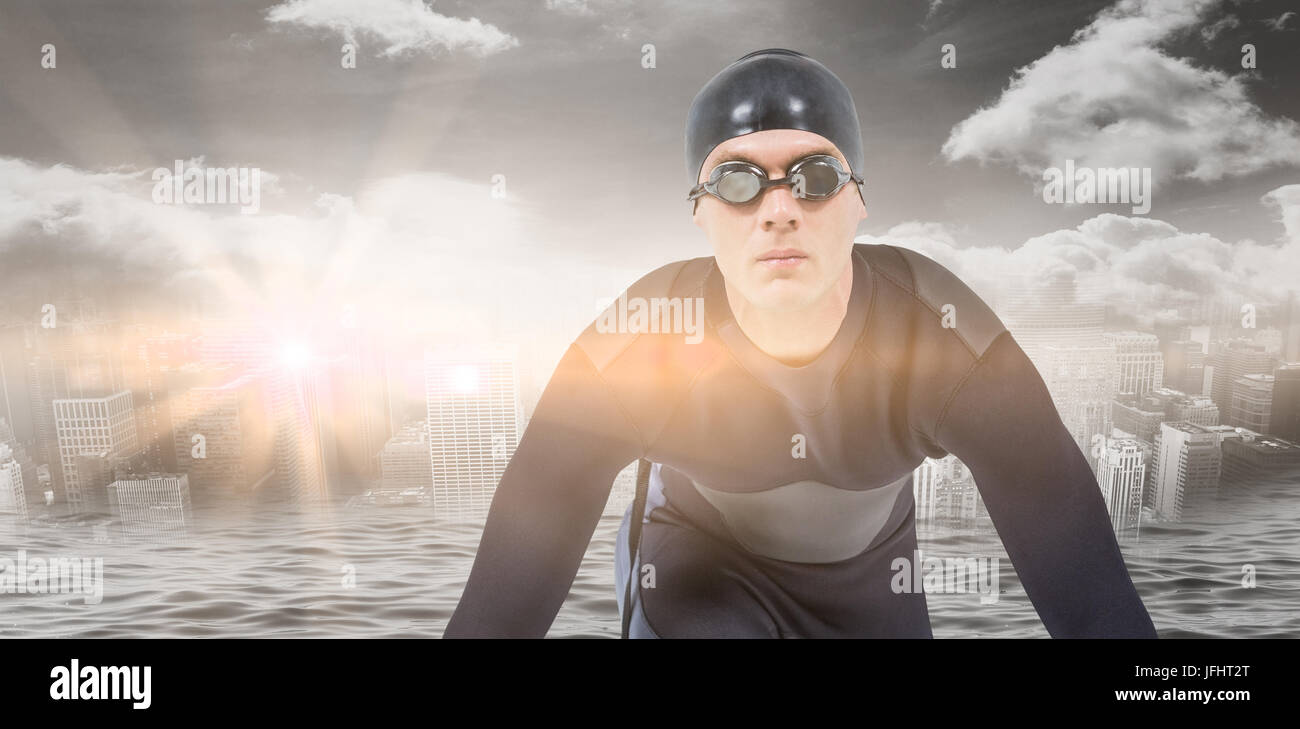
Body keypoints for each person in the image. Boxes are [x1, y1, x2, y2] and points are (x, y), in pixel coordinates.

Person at [442, 48, 1157, 638]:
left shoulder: (944, 342)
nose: (779, 210)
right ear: (700, 212)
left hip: (875, 585)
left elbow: (1097, 608)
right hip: (697, 572)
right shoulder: (636, 347)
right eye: (738, 181)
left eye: (815, 178)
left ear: (858, 201)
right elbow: (500, 610)